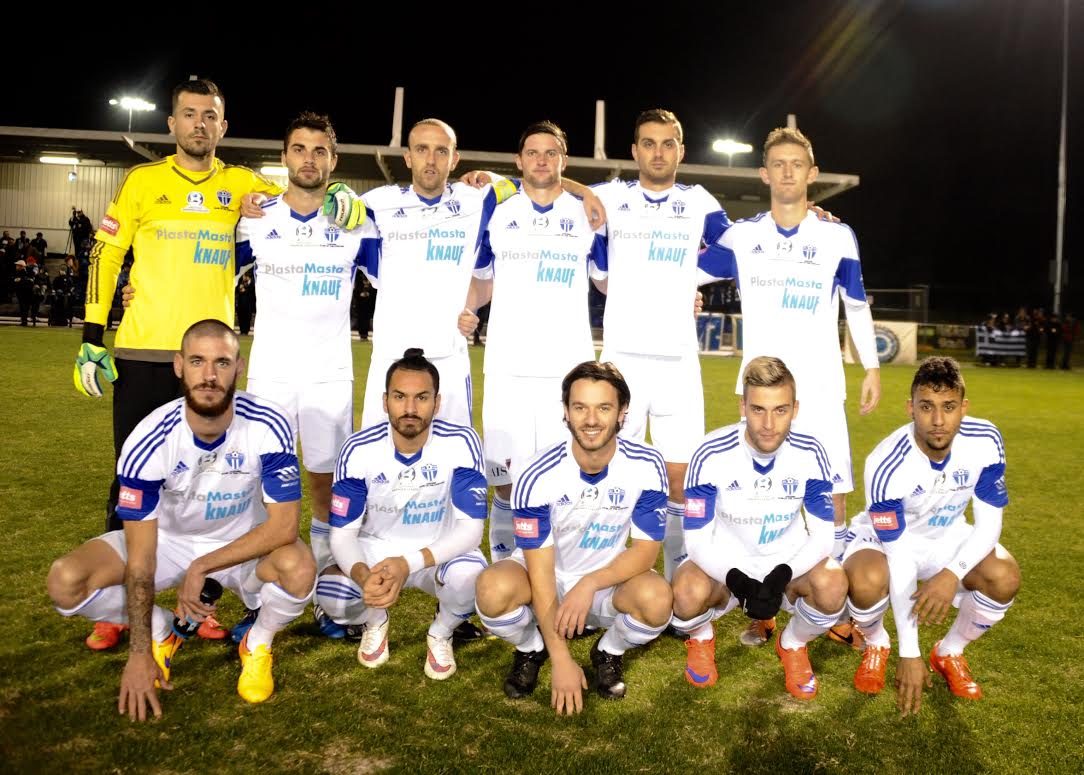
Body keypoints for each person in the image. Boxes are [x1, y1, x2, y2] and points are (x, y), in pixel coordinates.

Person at [74, 80, 361, 650]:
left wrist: (343, 189)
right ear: (172, 123)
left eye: (209, 115)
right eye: (189, 114)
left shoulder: (244, 188)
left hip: (216, 362)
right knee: (130, 478)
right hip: (147, 349)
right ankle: (122, 610)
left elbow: (306, 191)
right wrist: (92, 331)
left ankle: (206, 599)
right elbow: (107, 250)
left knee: (220, 482)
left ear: (223, 127)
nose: (199, 124)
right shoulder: (142, 181)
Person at [46, 320, 317, 718]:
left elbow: (284, 526)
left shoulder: (269, 422)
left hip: (241, 545)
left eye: (222, 362)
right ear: (178, 366)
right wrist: (139, 651)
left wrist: (202, 566)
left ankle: (257, 643)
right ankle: (162, 630)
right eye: (197, 361)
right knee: (66, 581)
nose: (209, 375)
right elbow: (141, 557)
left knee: (300, 568)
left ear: (239, 367)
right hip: (165, 543)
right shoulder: (148, 439)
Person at [700, 126, 880, 646]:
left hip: (820, 387)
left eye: (796, 164)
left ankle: (832, 603)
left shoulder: (837, 237)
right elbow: (686, 268)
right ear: (763, 174)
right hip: (761, 392)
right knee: (760, 499)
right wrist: (688, 293)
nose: (786, 172)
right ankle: (762, 605)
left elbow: (856, 304)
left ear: (812, 174)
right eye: (777, 164)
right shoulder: (742, 236)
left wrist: (870, 367)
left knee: (832, 494)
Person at [230, 112, 380, 640]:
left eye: (320, 151)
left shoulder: (355, 220)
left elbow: (398, 276)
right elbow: (212, 271)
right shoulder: (256, 217)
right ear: (285, 157)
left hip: (328, 374)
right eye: (299, 149)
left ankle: (323, 595)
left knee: (324, 484)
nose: (309, 159)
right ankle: (256, 597)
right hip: (269, 374)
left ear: (333, 161)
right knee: (258, 485)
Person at [571, 109, 733, 583]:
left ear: (681, 151)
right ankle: (602, 572)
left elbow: (738, 248)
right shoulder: (611, 196)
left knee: (680, 479)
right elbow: (552, 186)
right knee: (611, 471)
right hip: (621, 362)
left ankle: (678, 581)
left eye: (667, 143)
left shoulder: (698, 200)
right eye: (648, 143)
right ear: (634, 150)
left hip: (677, 362)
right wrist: (488, 181)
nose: (658, 152)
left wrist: (688, 279)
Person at [474, 361, 672, 714]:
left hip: (605, 583)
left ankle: (608, 651)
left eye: (604, 408)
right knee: (491, 589)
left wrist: (589, 584)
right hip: (545, 578)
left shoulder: (647, 464)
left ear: (622, 412)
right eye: (580, 407)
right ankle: (532, 648)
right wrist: (561, 658)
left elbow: (645, 553)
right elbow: (540, 572)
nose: (591, 419)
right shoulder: (536, 472)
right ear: (565, 412)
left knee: (658, 600)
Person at [460, 121, 607, 562]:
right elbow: (483, 278)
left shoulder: (587, 213)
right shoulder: (496, 207)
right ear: (519, 160)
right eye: (532, 152)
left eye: (551, 152)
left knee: (565, 471)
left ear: (564, 160)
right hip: (507, 366)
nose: (541, 160)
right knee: (503, 474)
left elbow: (607, 282)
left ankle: (563, 562)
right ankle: (507, 565)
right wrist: (470, 308)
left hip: (568, 369)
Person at [841, 356, 1019, 715]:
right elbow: (901, 556)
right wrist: (909, 653)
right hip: (887, 543)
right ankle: (877, 642)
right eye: (926, 407)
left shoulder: (986, 440)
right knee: (865, 581)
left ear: (963, 408)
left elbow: (988, 525)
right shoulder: (886, 462)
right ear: (911, 408)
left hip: (947, 536)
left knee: (1004, 576)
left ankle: (949, 651)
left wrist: (951, 574)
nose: (938, 420)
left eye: (948, 407)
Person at [670, 356, 844, 699]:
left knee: (833, 584)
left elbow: (824, 537)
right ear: (743, 407)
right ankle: (702, 637)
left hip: (789, 565)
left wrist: (781, 575)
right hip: (726, 568)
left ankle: (793, 643)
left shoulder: (812, 451)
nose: (768, 424)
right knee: (685, 593)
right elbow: (697, 542)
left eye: (780, 410)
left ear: (795, 409)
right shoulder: (710, 451)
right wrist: (739, 581)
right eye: (758, 410)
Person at [315, 349, 489, 679]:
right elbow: (343, 535)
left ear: (437, 403)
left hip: (437, 550)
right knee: (332, 594)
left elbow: (470, 532)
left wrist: (408, 563)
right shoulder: (358, 448)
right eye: (400, 397)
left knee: (475, 583)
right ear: (385, 401)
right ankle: (375, 620)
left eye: (421, 397)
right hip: (377, 551)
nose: (410, 408)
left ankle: (441, 630)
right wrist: (364, 577)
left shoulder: (462, 441)